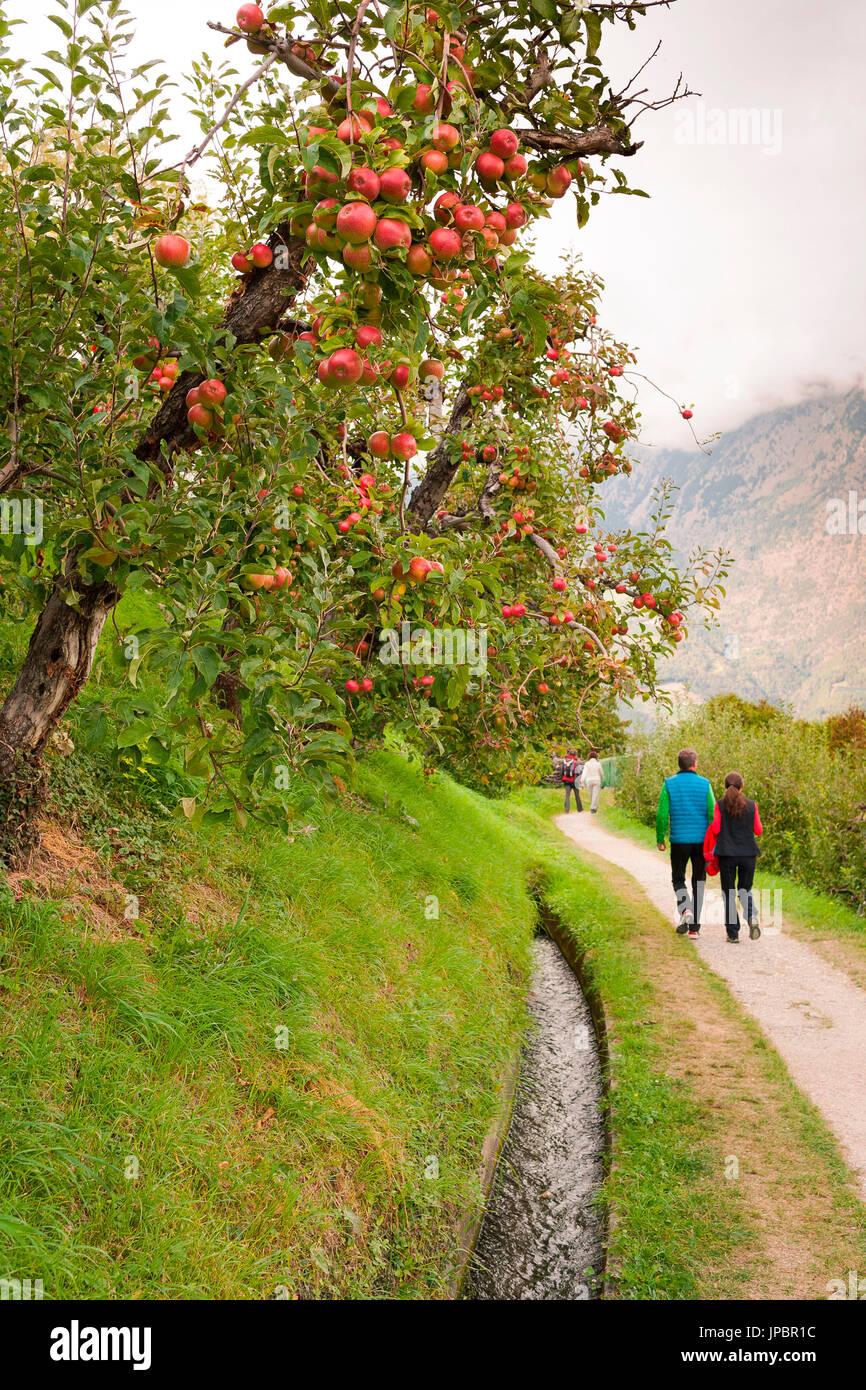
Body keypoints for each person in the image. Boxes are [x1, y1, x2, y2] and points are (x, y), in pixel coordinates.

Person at [656, 748, 716, 939]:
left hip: (679, 841)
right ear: (695, 764)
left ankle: (685, 910)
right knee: (699, 882)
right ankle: (694, 929)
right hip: (701, 842)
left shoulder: (669, 784)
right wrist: (714, 843)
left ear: (679, 764)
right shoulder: (705, 785)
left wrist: (660, 838)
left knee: (678, 878)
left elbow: (661, 814)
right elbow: (713, 814)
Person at [704, 772, 763, 943]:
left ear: (725, 786)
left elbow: (715, 829)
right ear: (742, 786)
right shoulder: (752, 805)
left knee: (728, 893)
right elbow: (758, 830)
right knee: (745, 890)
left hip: (727, 855)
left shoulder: (720, 805)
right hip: (748, 855)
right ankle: (752, 917)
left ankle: (733, 934)